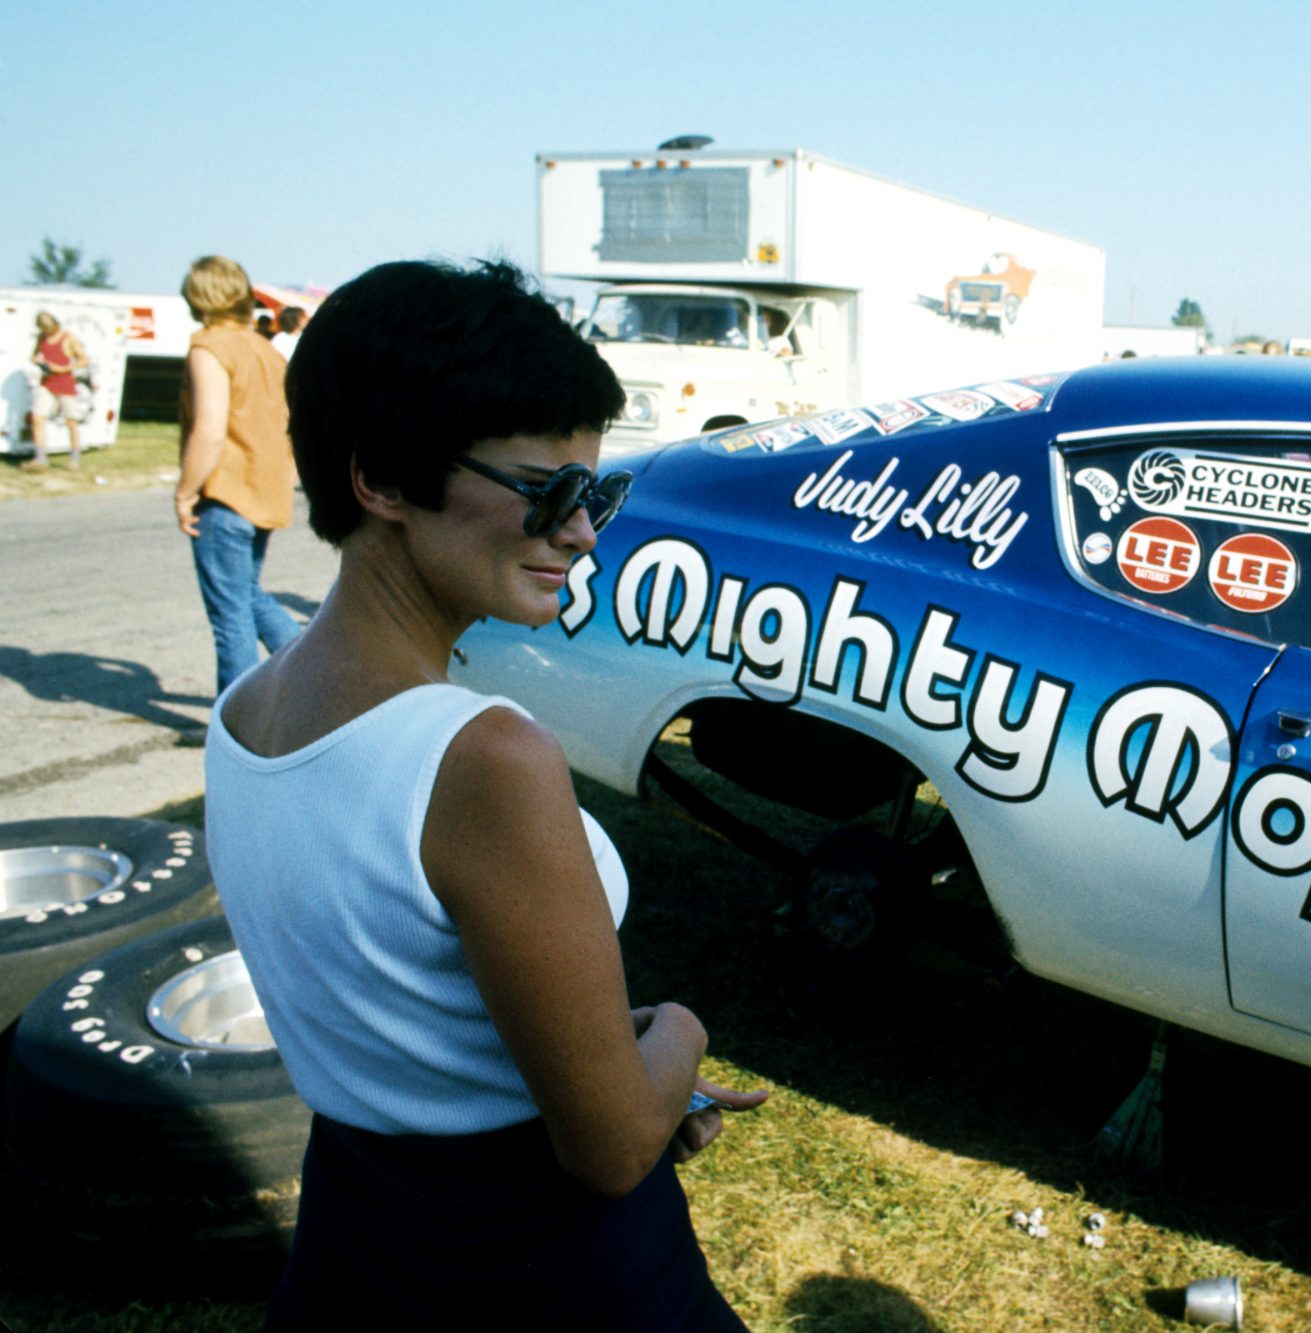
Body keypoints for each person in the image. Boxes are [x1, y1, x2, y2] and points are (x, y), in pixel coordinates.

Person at [205, 258, 763, 1329]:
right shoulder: (482, 758)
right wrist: (678, 1033)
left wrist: (600, 1045)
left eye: (600, 490)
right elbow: (606, 1149)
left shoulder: (244, 711)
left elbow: (395, 1012)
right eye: (547, 490)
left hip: (358, 1246)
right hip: (544, 1272)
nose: (584, 530)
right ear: (381, 480)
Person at [175, 255, 304, 701]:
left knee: (229, 615)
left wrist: (185, 492)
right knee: (247, 595)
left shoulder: (209, 349)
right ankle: (316, 675)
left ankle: (236, 723)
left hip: (224, 494)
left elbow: (209, 430)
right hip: (263, 491)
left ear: (197, 295)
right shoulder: (265, 350)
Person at [27, 310, 89, 471]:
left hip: (65, 383)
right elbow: (34, 355)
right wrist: (37, 361)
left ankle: (74, 457)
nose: (47, 332)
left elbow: (84, 360)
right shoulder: (41, 338)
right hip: (47, 382)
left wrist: (63, 368)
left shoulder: (68, 338)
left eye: (48, 328)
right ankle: (41, 458)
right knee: (37, 418)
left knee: (71, 421)